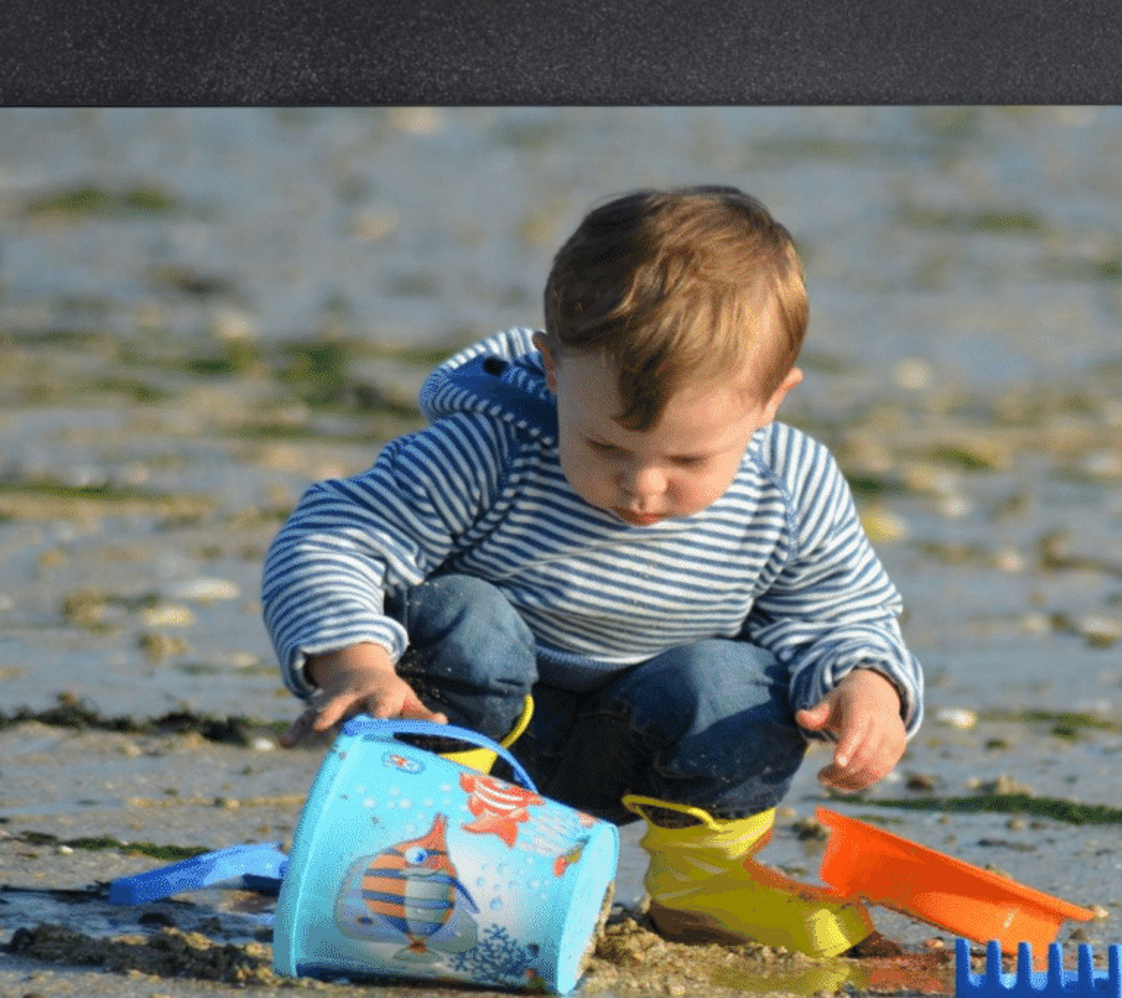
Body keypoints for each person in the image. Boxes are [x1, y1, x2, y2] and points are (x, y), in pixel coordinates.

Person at [261, 186, 921, 958]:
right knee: (466, 617)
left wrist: (867, 681)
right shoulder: (491, 453)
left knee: (737, 680)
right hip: (473, 740)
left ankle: (702, 886)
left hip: (641, 747)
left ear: (772, 400)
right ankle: (439, 845)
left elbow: (837, 610)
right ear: (551, 369)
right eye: (605, 446)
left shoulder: (790, 487)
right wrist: (355, 661)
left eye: (687, 458)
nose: (642, 486)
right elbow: (333, 535)